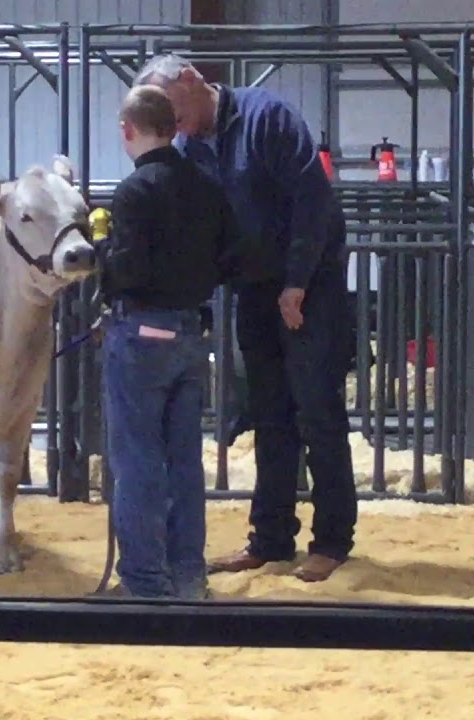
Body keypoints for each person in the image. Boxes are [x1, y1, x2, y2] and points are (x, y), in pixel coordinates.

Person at [131, 53, 356, 583]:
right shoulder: (187, 147)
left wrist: (297, 282)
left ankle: (332, 540)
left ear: (191, 79)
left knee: (317, 408)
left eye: (169, 105)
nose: (169, 119)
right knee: (268, 413)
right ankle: (271, 539)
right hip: (254, 289)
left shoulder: (268, 117)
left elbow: (312, 200)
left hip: (310, 285)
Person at [94, 84, 244, 600]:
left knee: (136, 461)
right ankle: (187, 577)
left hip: (141, 335)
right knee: (184, 462)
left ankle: (143, 581)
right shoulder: (205, 185)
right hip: (190, 333)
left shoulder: (135, 191)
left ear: (127, 130)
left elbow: (128, 268)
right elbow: (230, 255)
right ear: (174, 126)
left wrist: (102, 257)